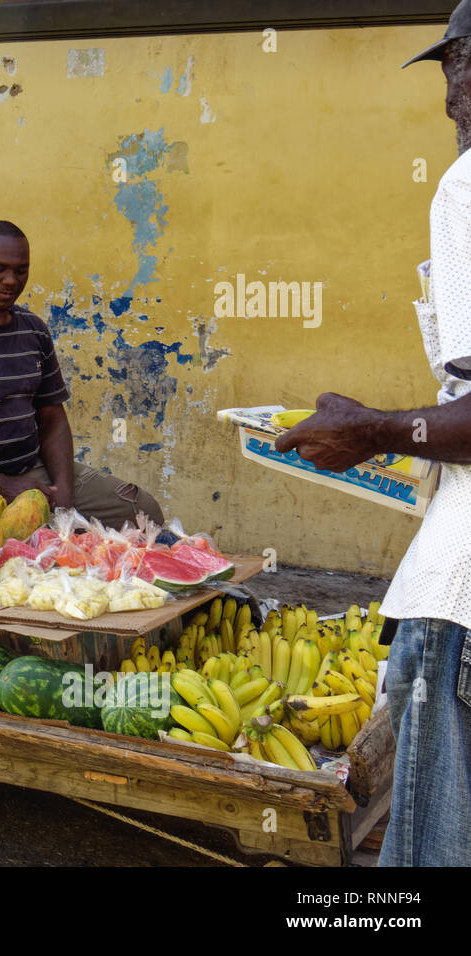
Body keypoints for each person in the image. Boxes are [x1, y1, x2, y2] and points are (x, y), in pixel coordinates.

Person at [276, 6, 471, 868]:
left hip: (459, 590)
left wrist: (375, 430)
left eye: (458, 69)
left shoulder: (466, 189)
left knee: (431, 849)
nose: (451, 98)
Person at [0, 220, 164, 529]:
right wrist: (5, 485)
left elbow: (52, 418)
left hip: (31, 470)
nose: (11, 280)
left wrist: (64, 494)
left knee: (144, 513)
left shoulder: (33, 329)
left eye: (21, 270)